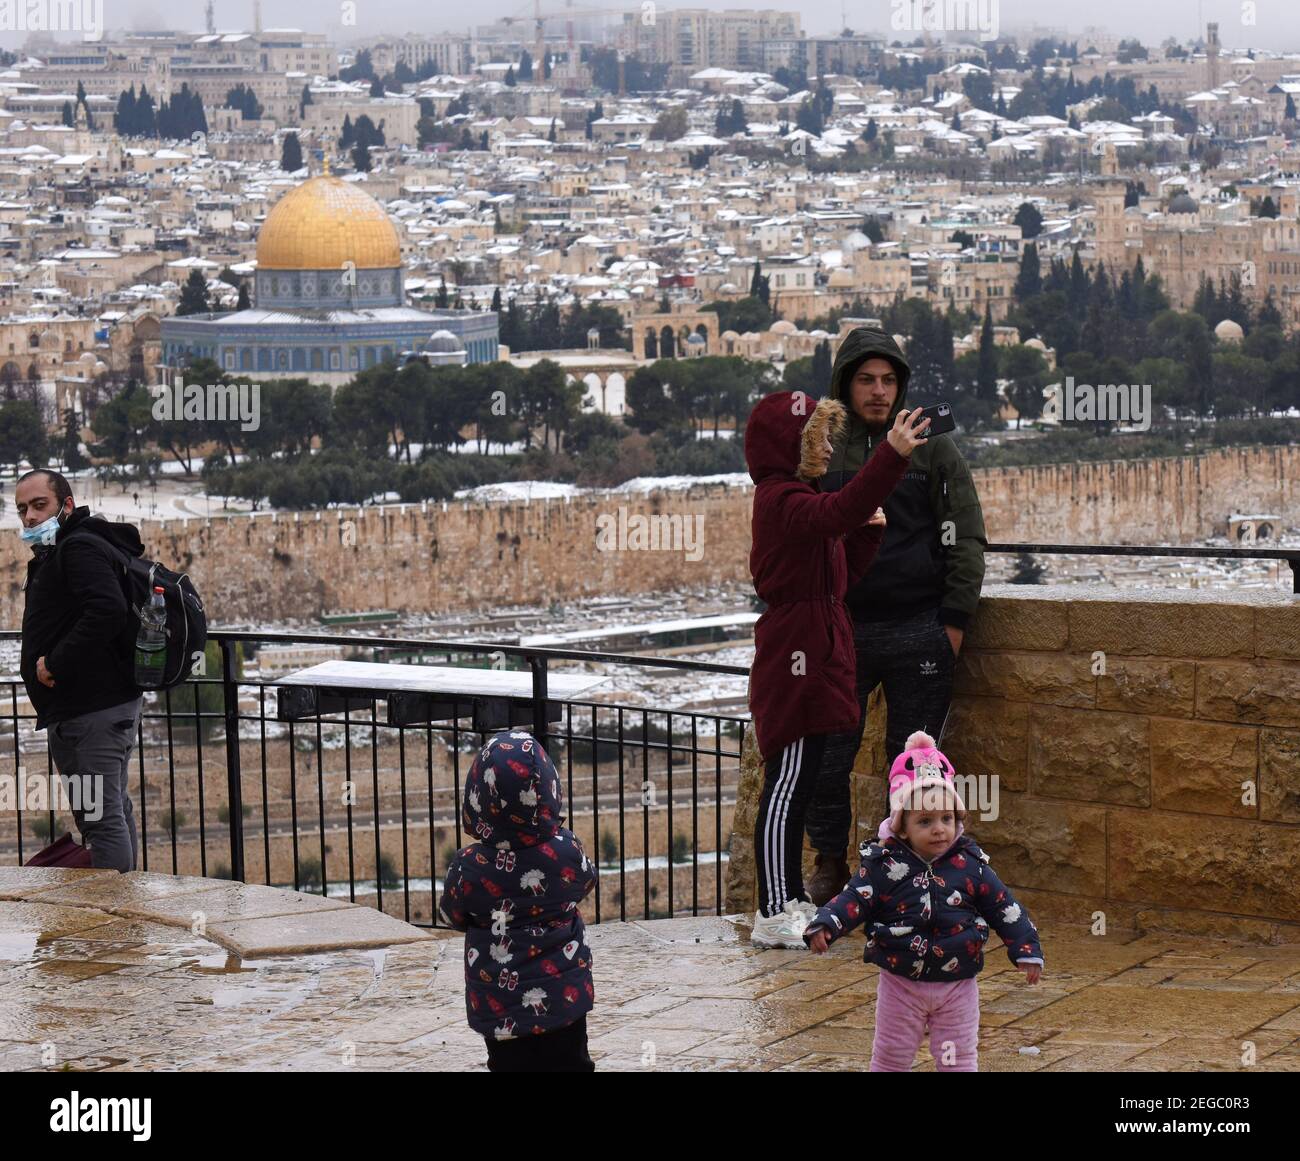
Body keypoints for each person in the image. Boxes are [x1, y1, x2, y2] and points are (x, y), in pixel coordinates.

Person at [805, 326, 988, 905]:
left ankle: (907, 875)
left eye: (888, 380)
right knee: (829, 756)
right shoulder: (821, 448)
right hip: (843, 629)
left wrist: (953, 623)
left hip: (918, 627)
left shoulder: (931, 444)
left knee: (914, 770)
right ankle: (829, 863)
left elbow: (965, 534)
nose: (879, 392)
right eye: (866, 379)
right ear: (844, 383)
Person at [745, 389, 930, 950]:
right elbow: (840, 511)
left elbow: (840, 573)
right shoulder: (781, 499)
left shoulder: (800, 499)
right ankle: (773, 908)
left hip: (819, 645)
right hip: (795, 652)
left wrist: (868, 535)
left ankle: (787, 896)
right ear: (790, 445)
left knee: (801, 780)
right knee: (786, 783)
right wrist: (891, 455)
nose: (827, 448)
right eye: (816, 438)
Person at [804, 731, 1043, 1071]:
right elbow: (853, 898)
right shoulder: (883, 866)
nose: (939, 830)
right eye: (925, 821)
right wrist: (828, 923)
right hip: (900, 983)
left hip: (957, 984)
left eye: (947, 819)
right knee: (891, 1057)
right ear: (901, 826)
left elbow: (1005, 908)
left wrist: (1026, 949)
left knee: (957, 1059)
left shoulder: (971, 865)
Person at [439, 730, 597, 1072]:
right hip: (563, 998)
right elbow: (586, 882)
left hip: (500, 1005)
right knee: (572, 1064)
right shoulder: (566, 851)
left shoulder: (469, 866)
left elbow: (452, 912)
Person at [17, 469, 145, 872]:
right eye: (22, 509)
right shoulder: (69, 548)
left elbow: (106, 610)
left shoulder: (77, 548)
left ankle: (115, 921)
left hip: (90, 710)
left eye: (40, 505)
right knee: (113, 811)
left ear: (67, 505)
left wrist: (54, 662)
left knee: (101, 822)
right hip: (98, 706)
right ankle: (127, 904)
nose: (30, 517)